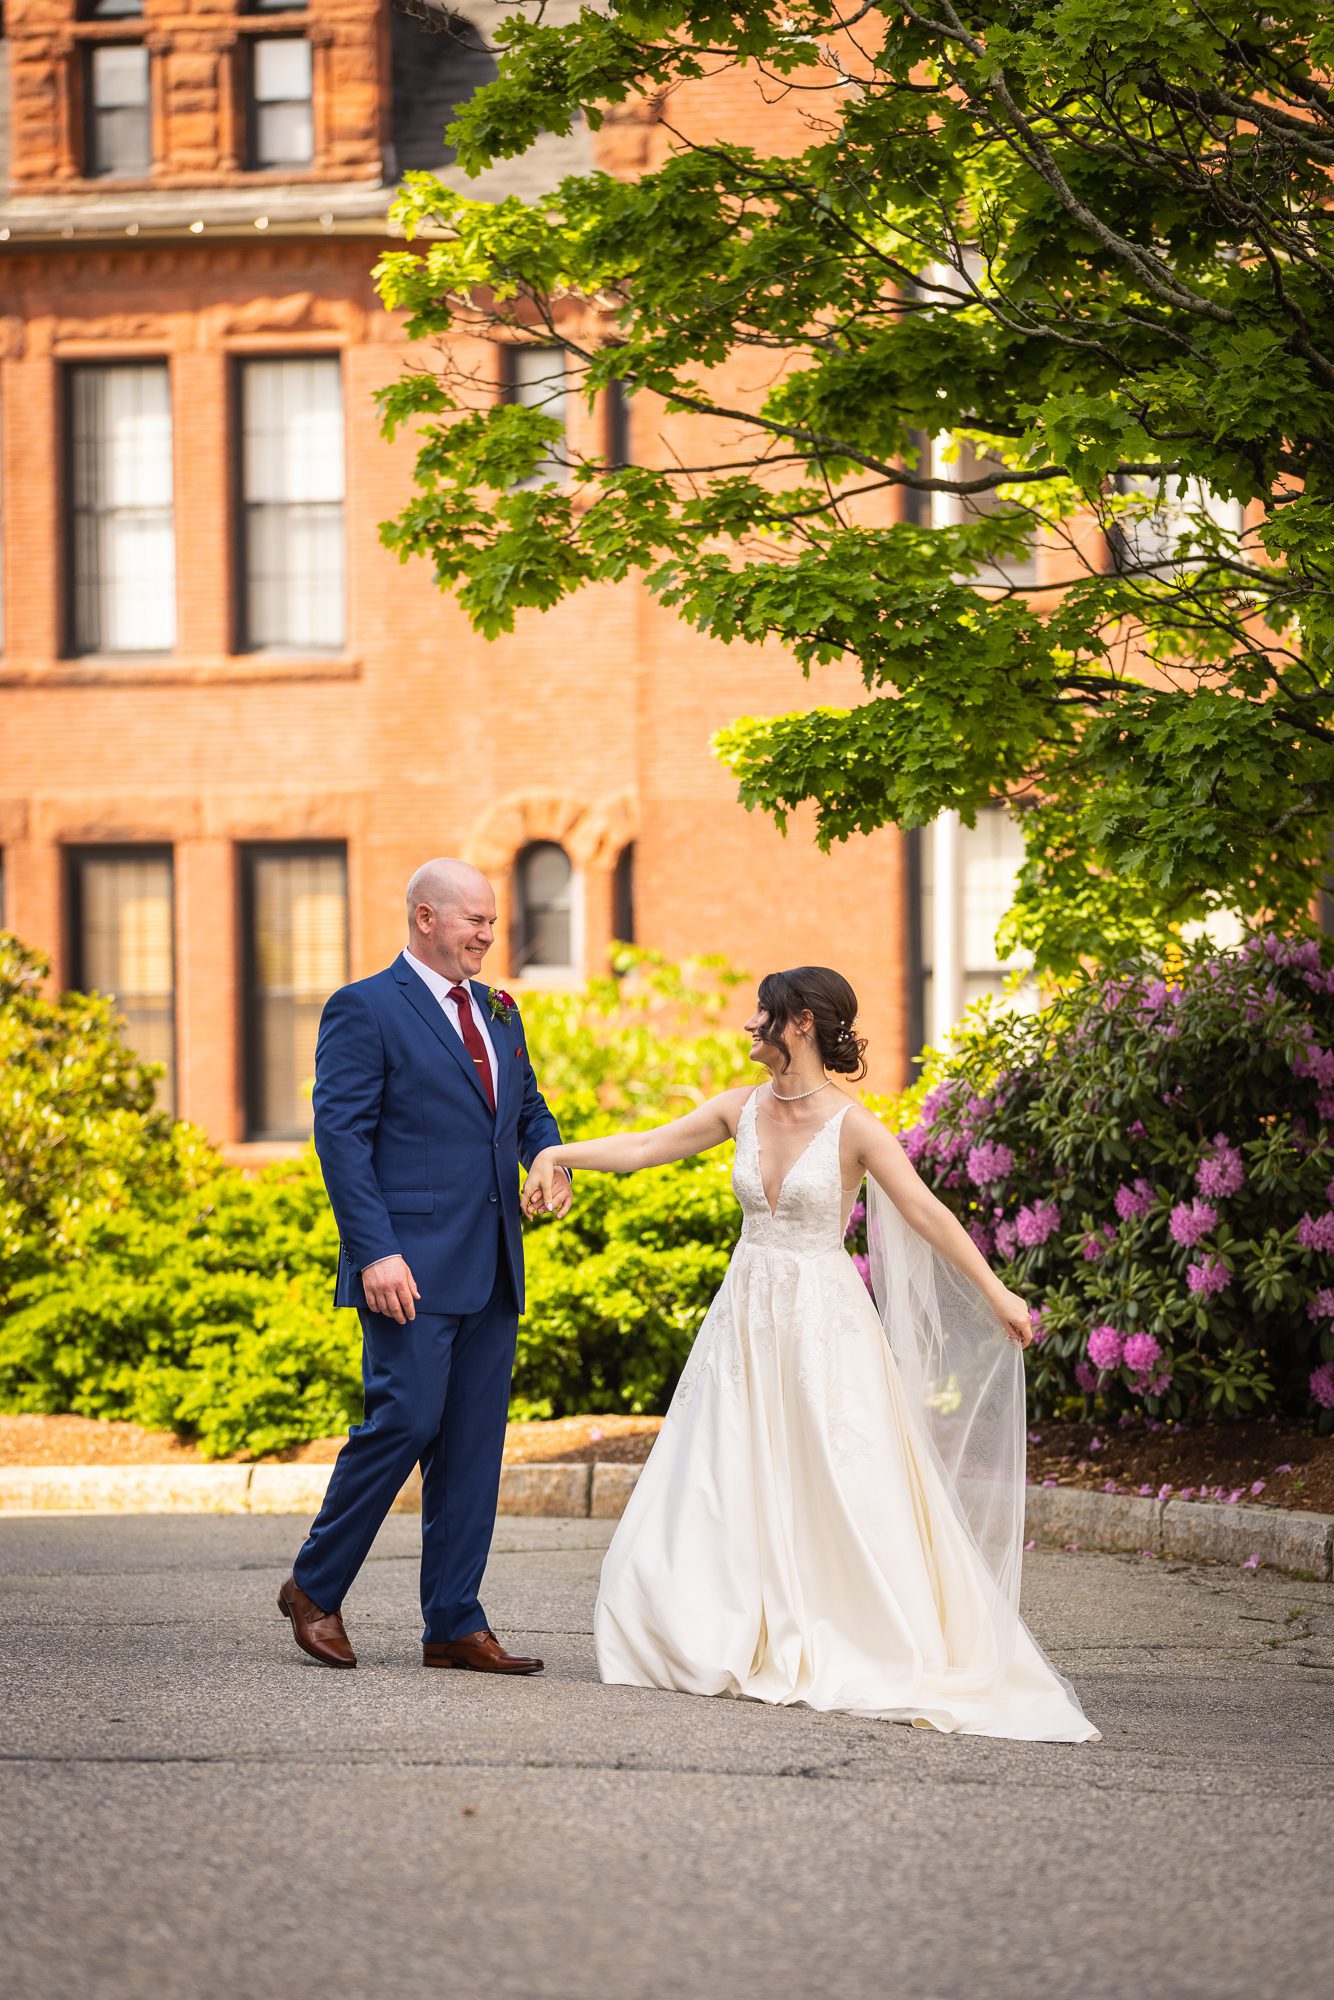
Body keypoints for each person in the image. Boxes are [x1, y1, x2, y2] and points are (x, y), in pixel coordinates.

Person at [522, 966, 1100, 1742]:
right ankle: (709, 1625)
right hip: (745, 1320)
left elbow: (923, 1211)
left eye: (760, 1015)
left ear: (797, 1023)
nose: (746, 1028)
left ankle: (854, 1628)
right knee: (725, 1470)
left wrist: (997, 1293)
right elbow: (648, 1146)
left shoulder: (854, 1126)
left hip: (824, 1323)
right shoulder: (740, 1109)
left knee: (838, 1470)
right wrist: (561, 1152)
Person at [277, 858, 572, 1674]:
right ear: (423, 917)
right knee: (404, 1421)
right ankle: (314, 1585)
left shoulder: (499, 1012)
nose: (486, 934)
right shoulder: (365, 1007)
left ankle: (453, 1623)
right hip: (404, 1264)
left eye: (491, 923)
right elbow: (340, 1139)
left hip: (493, 1264)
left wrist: (549, 1157)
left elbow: (528, 1109)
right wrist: (373, 1250)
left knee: (474, 1446)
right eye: (472, 920)